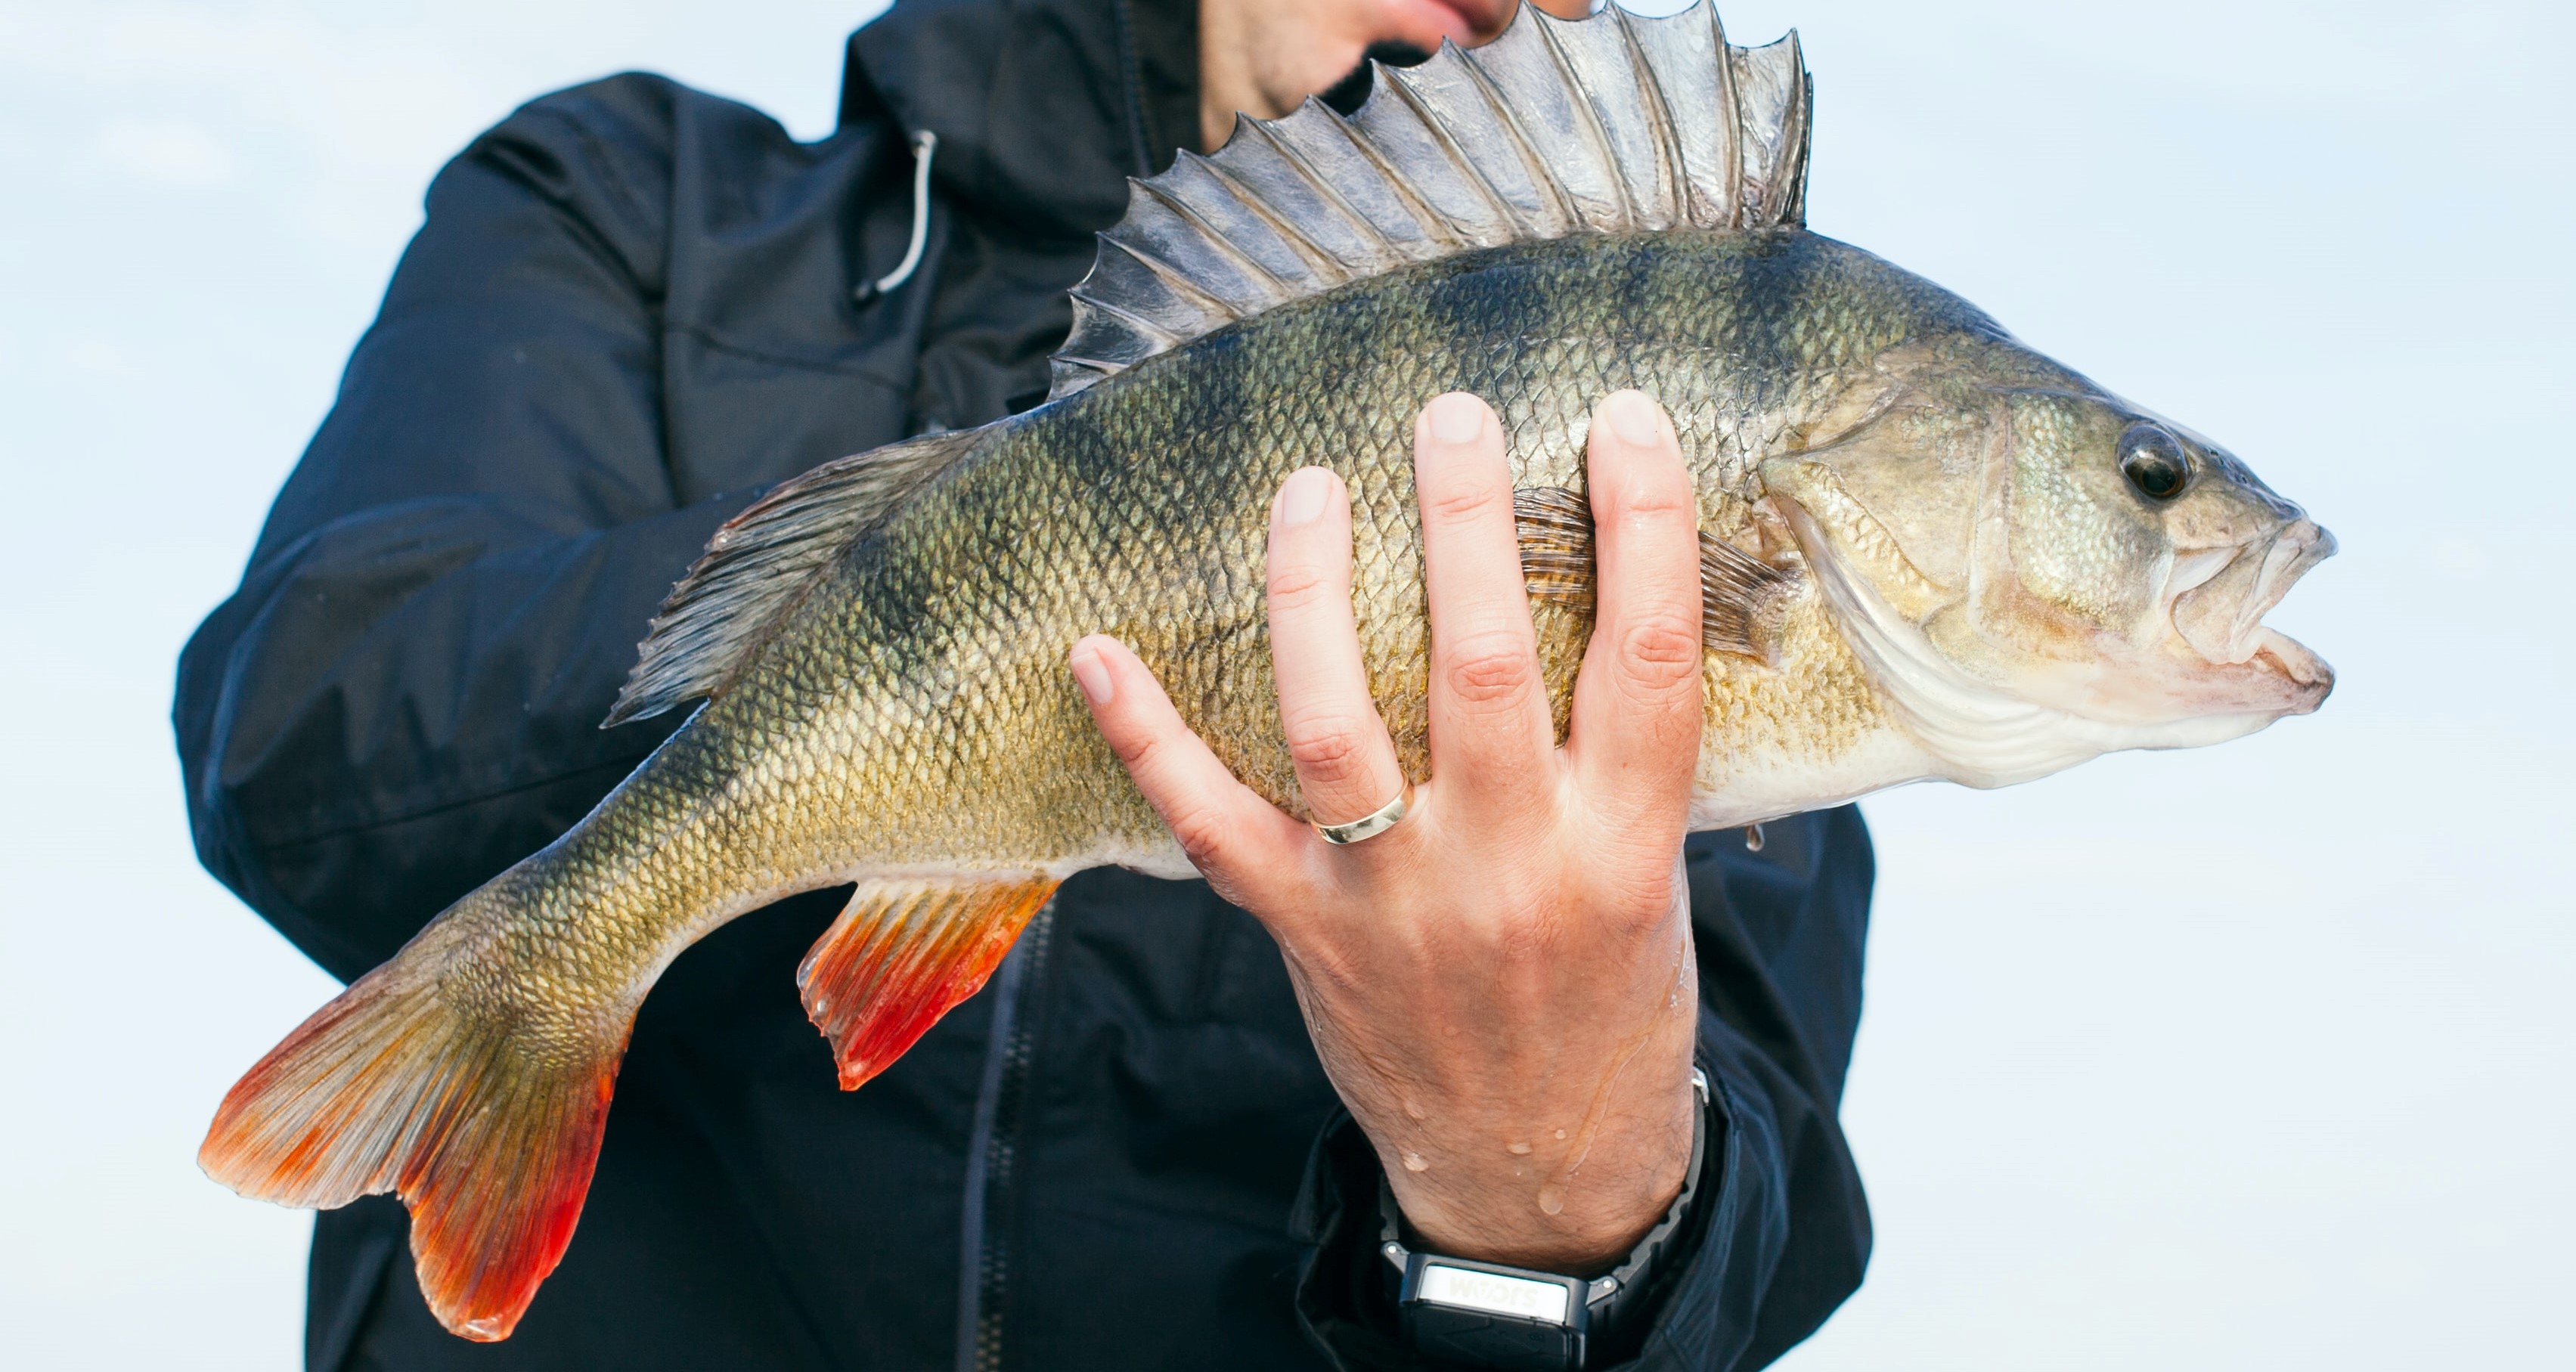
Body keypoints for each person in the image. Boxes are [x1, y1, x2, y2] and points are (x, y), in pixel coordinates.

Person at [174, 0, 1875, 1367]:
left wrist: (1563, 1193)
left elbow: (1751, 1238)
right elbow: (296, 731)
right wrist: (966, 573)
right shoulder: (627, 198)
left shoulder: (1689, 514)